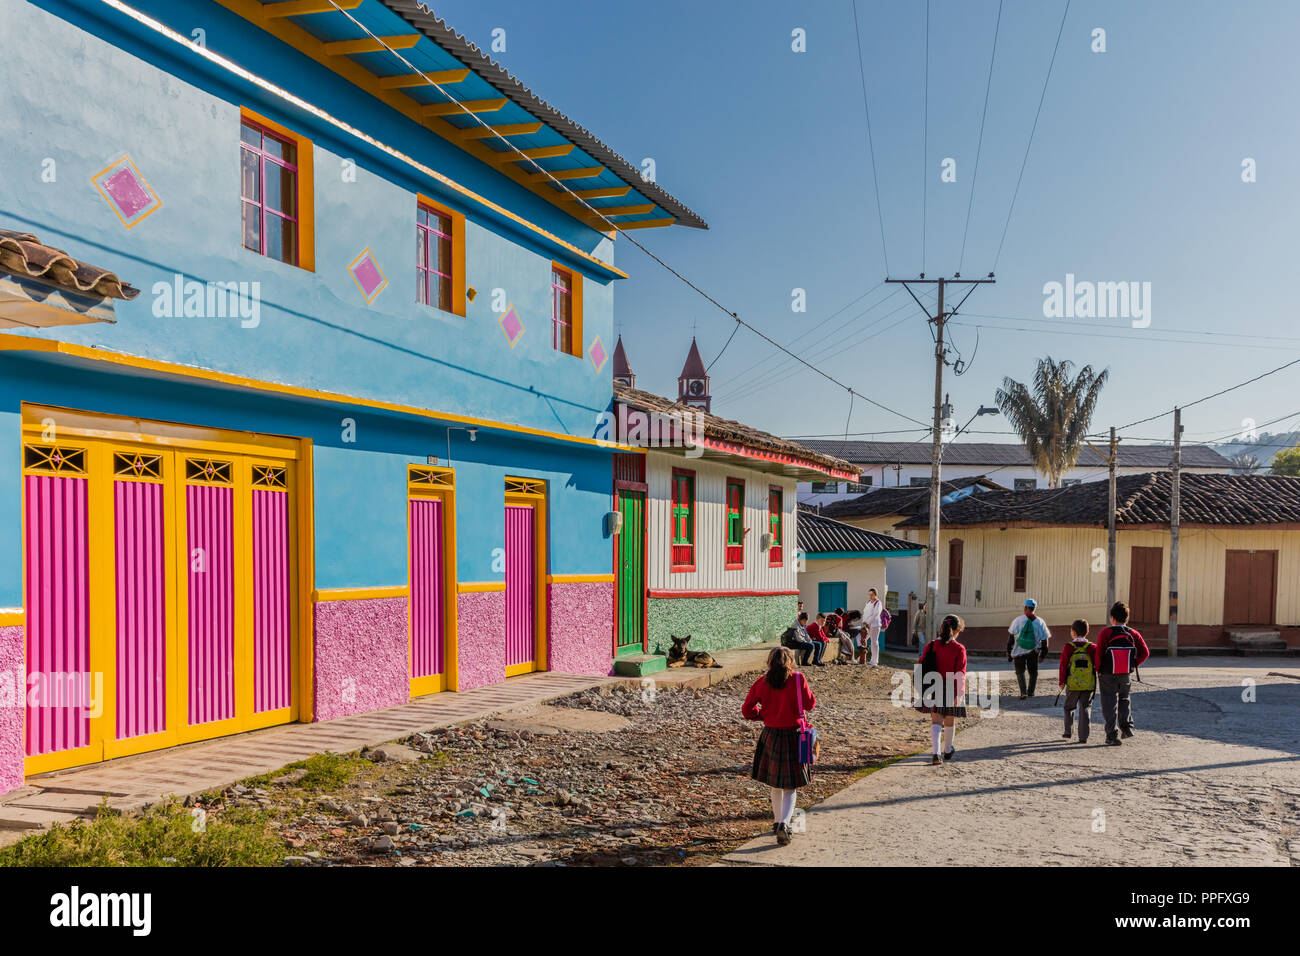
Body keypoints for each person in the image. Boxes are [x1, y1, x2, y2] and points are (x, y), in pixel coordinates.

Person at [742, 646, 817, 845]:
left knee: (775, 784)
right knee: (790, 786)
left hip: (771, 736)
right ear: (790, 662)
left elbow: (746, 710)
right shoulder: (798, 679)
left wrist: (764, 715)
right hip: (794, 736)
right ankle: (785, 823)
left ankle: (776, 822)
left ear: (769, 663)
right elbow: (810, 704)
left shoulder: (762, 682)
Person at [1094, 601, 1151, 746]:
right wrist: (1133, 664)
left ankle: (1111, 734)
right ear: (1127, 618)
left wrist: (1098, 670)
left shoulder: (1105, 633)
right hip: (1125, 672)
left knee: (1109, 702)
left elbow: (1099, 654)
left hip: (1107, 673)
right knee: (1124, 698)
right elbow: (1145, 652)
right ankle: (1126, 727)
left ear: (1112, 618)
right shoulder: (1133, 633)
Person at [916, 614, 968, 764]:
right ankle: (947, 750)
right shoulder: (959, 648)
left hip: (932, 685)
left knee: (936, 720)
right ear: (957, 631)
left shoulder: (931, 645)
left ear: (941, 628)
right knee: (949, 720)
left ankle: (935, 753)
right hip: (951, 686)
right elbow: (960, 673)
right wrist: (960, 693)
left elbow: (921, 664)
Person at [1058, 619, 1098, 743]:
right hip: (1088, 684)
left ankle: (1068, 732)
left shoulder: (1068, 647)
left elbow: (1063, 665)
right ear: (1087, 632)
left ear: (1073, 632)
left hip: (1072, 684)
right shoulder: (1092, 647)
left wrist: (1062, 682)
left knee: (1069, 707)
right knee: (1085, 708)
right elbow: (1097, 664)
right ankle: (1083, 737)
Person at [1006, 598, 1051, 699]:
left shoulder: (1017, 620)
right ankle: (1031, 692)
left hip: (1018, 651)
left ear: (1025, 607)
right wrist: (1043, 655)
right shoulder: (1040, 622)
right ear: (1034, 608)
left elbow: (1010, 639)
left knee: (1020, 671)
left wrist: (1008, 652)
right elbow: (1045, 640)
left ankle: (1023, 692)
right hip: (1033, 651)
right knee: (1033, 672)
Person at [862, 588, 885, 666]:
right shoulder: (868, 602)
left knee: (874, 642)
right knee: (865, 640)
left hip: (875, 625)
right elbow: (865, 612)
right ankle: (866, 658)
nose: (870, 596)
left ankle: (875, 661)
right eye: (869, 595)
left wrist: (867, 622)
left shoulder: (878, 603)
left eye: (872, 595)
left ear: (876, 595)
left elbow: (876, 614)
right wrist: (864, 622)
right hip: (867, 625)